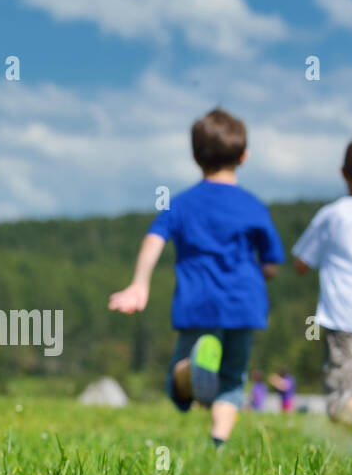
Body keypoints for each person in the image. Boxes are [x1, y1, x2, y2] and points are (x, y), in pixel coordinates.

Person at [109, 108, 283, 448]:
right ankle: (217, 442)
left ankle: (190, 370)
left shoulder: (182, 204)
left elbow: (153, 239)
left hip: (199, 301)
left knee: (179, 391)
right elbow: (272, 264)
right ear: (244, 156)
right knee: (232, 380)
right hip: (244, 303)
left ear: (194, 156)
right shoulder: (254, 206)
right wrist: (260, 274)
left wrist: (139, 283)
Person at [292, 137, 352, 444]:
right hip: (345, 318)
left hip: (344, 317)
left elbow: (302, 263)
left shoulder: (331, 215)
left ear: (342, 172)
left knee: (343, 393)